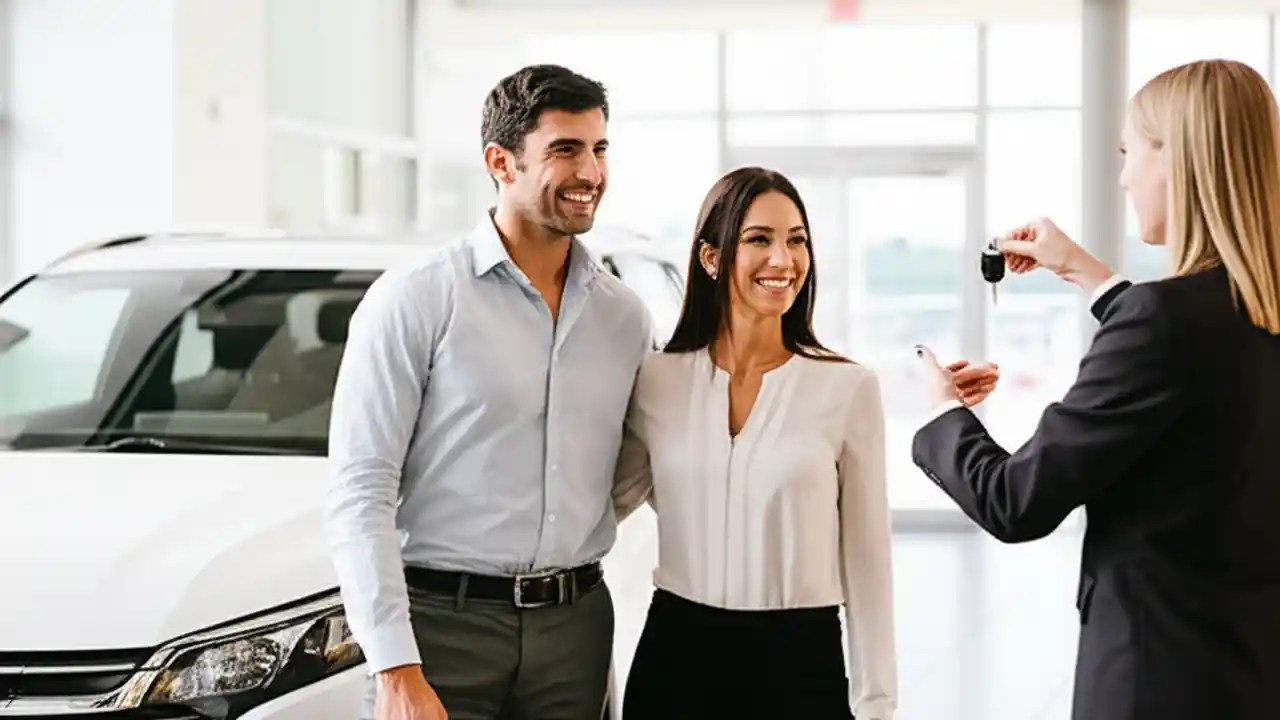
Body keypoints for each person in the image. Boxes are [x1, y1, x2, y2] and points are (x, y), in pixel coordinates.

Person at [911, 58, 1280, 720]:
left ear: (1182, 159)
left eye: (1128, 153)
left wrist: (942, 412)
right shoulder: (1248, 316)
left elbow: (1013, 501)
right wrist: (1090, 275)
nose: (1123, 178)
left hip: (1154, 685)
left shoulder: (1164, 324)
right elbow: (1191, 360)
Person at [612, 166, 1000, 719]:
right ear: (711, 258)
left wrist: (876, 705)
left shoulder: (846, 387)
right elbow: (600, 508)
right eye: (759, 240)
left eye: (797, 241)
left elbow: (868, 563)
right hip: (676, 660)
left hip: (798, 665)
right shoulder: (657, 381)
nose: (783, 260)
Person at [326, 64, 652, 720]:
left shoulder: (624, 316)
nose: (590, 172)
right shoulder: (417, 298)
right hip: (441, 630)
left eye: (599, 149)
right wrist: (394, 665)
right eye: (565, 150)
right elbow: (361, 491)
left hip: (575, 627)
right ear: (500, 162)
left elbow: (627, 469)